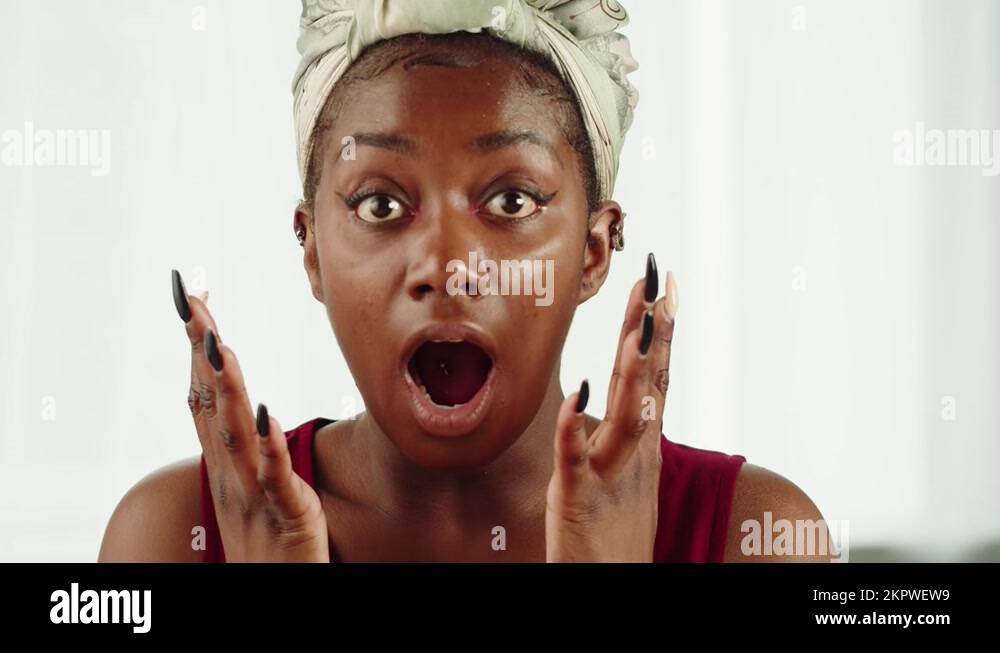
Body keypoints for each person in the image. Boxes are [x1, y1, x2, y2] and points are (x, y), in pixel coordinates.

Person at [99, 0, 832, 563]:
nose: (447, 265)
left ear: (594, 251)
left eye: (511, 200)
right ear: (313, 250)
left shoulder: (756, 532)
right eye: (380, 204)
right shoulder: (172, 534)